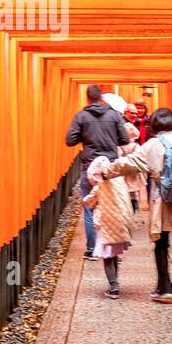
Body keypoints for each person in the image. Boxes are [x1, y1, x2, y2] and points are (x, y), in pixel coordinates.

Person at [109, 107, 172, 305]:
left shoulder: (154, 144)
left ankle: (165, 289)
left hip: (164, 200)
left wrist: (106, 171)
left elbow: (130, 163)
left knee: (161, 244)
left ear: (153, 125)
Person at [65, 84, 130, 262]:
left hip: (90, 166)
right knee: (113, 206)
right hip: (110, 167)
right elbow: (124, 139)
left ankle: (92, 248)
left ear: (87, 98)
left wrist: (84, 135)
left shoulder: (81, 116)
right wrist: (110, 138)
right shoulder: (114, 115)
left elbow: (70, 140)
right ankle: (114, 248)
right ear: (101, 97)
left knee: (89, 206)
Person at [81, 155, 133, 298]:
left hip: (105, 226)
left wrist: (85, 200)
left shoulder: (99, 187)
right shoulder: (119, 181)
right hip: (119, 224)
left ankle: (113, 285)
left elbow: (89, 202)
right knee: (114, 255)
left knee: (107, 257)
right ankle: (115, 282)